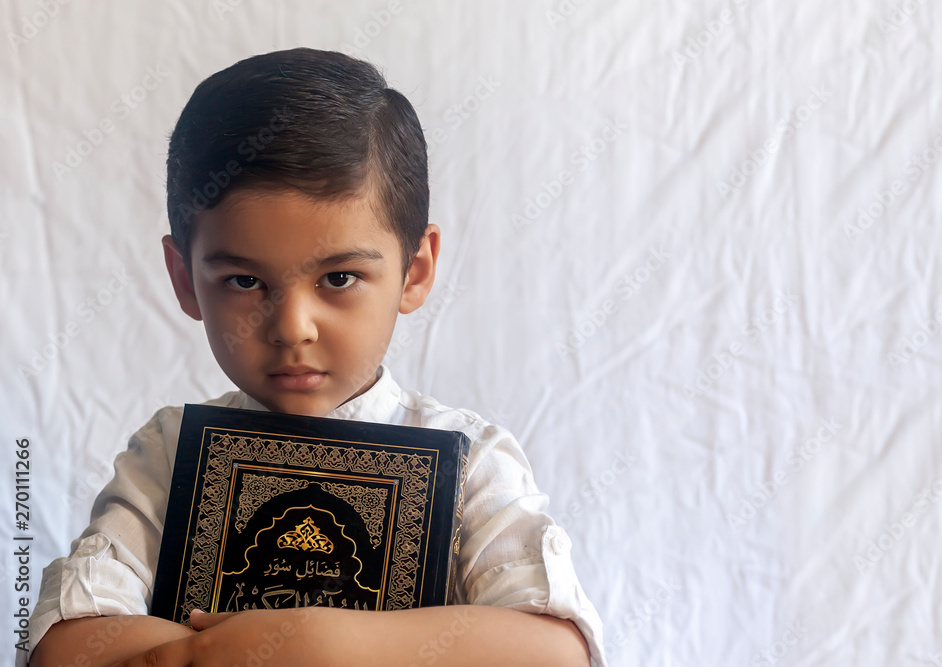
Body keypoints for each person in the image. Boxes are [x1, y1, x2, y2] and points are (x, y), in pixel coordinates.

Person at [26, 47, 605, 667]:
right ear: (185, 279)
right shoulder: (170, 457)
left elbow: (557, 652)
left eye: (339, 278)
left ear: (414, 270)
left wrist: (322, 643)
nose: (291, 328)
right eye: (245, 281)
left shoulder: (470, 465)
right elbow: (65, 645)